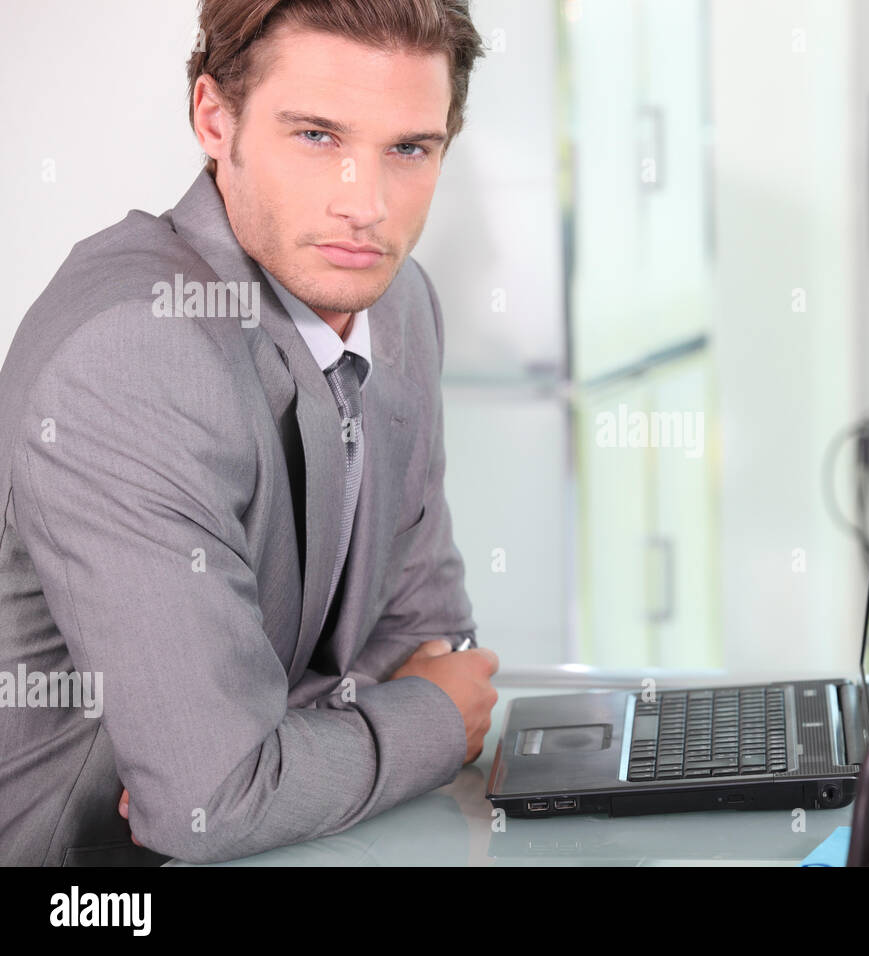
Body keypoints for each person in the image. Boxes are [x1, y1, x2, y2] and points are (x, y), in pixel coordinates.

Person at [0, 0, 498, 866]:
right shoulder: (135, 352)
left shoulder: (399, 303)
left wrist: (278, 753)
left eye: (409, 149)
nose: (366, 206)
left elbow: (430, 632)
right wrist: (431, 719)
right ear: (214, 120)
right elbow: (213, 801)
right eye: (317, 137)